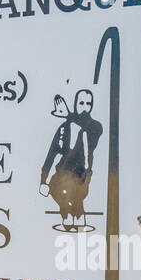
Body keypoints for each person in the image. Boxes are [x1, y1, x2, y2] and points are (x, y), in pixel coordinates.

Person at [39, 89, 103, 230]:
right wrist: (43, 179)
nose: (85, 107)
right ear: (75, 104)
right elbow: (51, 153)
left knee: (76, 192)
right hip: (62, 172)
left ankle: (76, 217)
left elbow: (88, 137)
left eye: (88, 103)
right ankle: (69, 215)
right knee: (55, 188)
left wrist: (68, 116)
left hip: (82, 172)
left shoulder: (95, 126)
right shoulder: (64, 128)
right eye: (81, 103)